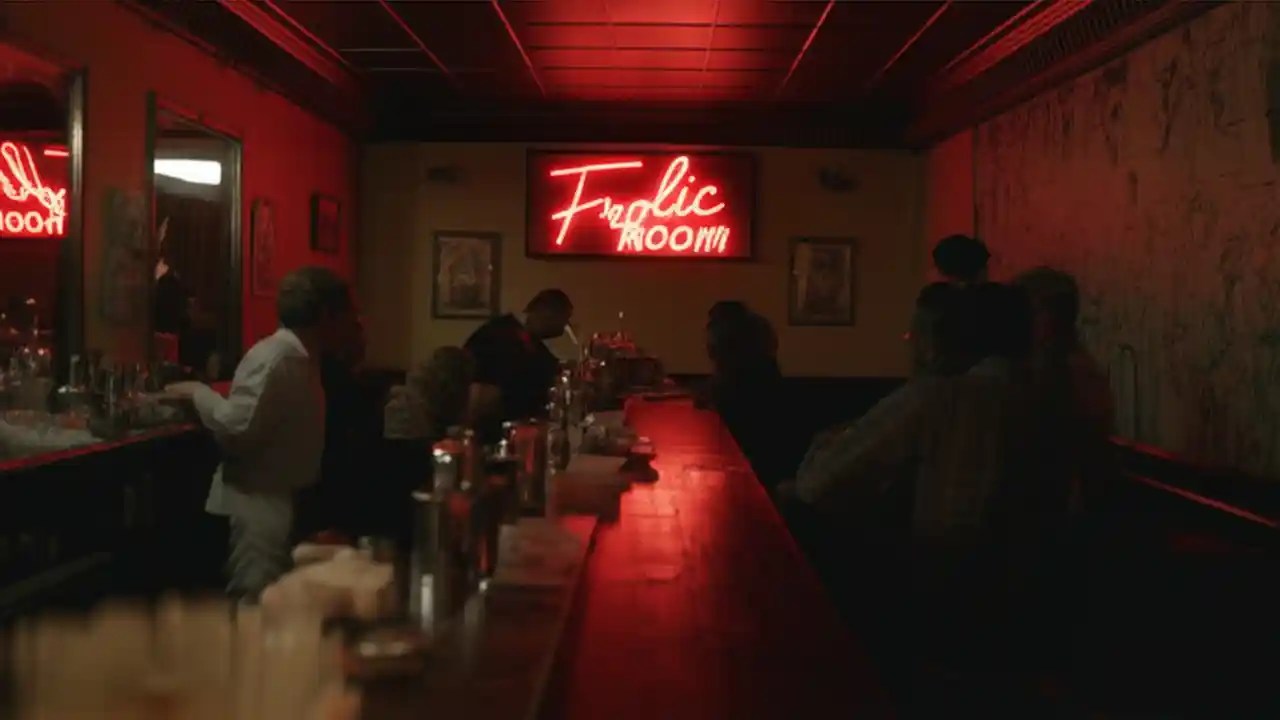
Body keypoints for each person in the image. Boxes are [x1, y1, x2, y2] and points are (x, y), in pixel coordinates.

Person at [167, 266, 359, 601]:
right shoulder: (277, 358)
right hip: (259, 510)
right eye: (345, 315)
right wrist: (199, 393)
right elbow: (236, 430)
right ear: (325, 315)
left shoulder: (301, 358)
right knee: (256, 609)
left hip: (283, 504)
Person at [463, 289, 573, 437]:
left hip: (528, 430)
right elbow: (479, 400)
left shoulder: (527, 338)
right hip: (502, 435)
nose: (563, 329)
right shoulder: (495, 337)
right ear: (546, 312)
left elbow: (551, 369)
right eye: (564, 320)